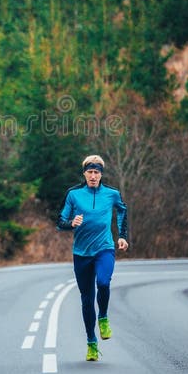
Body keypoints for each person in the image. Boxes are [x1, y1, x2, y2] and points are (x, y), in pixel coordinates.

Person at [57, 154, 128, 361]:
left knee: (104, 282)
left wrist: (122, 236)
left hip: (104, 248)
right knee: (87, 300)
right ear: (84, 173)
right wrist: (71, 222)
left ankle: (103, 317)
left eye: (97, 172)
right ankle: (91, 343)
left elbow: (123, 210)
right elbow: (60, 220)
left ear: (101, 174)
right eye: (90, 172)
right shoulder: (74, 194)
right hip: (81, 254)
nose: (94, 176)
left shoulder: (112, 194)